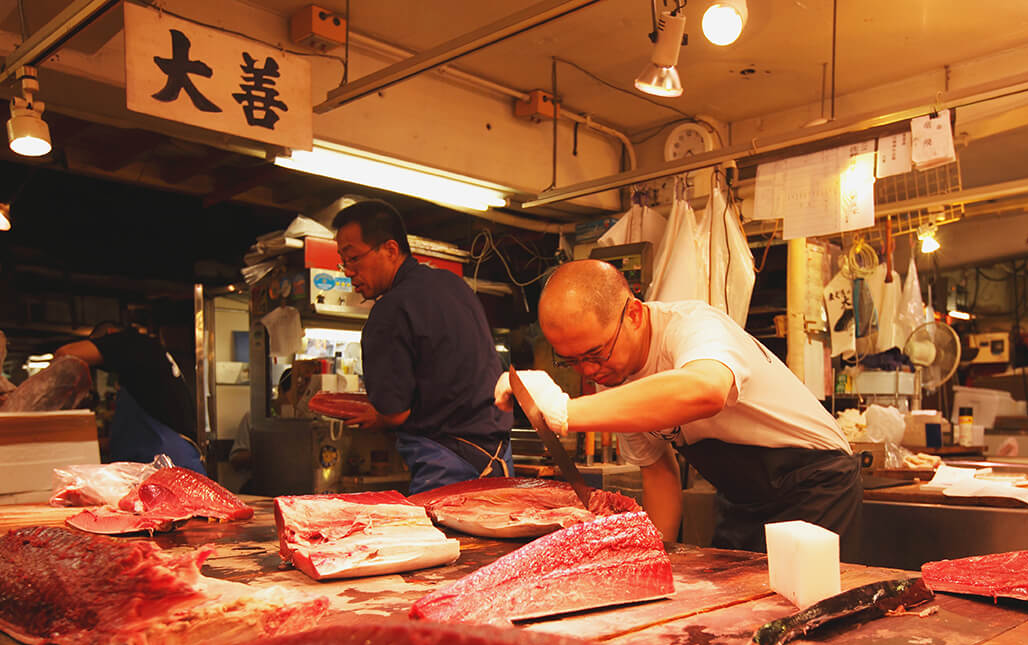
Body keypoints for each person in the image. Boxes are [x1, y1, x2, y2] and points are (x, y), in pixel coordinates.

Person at [495, 259, 861, 553]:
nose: (590, 371)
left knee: (795, 614)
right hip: (741, 497)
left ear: (634, 314)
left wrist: (564, 412)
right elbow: (659, 474)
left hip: (814, 482)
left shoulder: (694, 326)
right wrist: (657, 555)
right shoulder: (623, 386)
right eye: (572, 362)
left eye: (595, 353)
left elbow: (706, 389)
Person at [330, 199, 513, 493]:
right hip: (500, 457)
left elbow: (395, 414)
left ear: (390, 249)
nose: (347, 271)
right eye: (343, 261)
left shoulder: (389, 310)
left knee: (445, 541)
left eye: (353, 259)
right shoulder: (453, 285)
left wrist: (379, 415)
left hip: (447, 463)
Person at [56, 322, 205, 473]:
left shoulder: (131, 342)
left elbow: (65, 353)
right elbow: (133, 438)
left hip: (169, 466)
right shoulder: (144, 365)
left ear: (111, 333)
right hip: (163, 463)